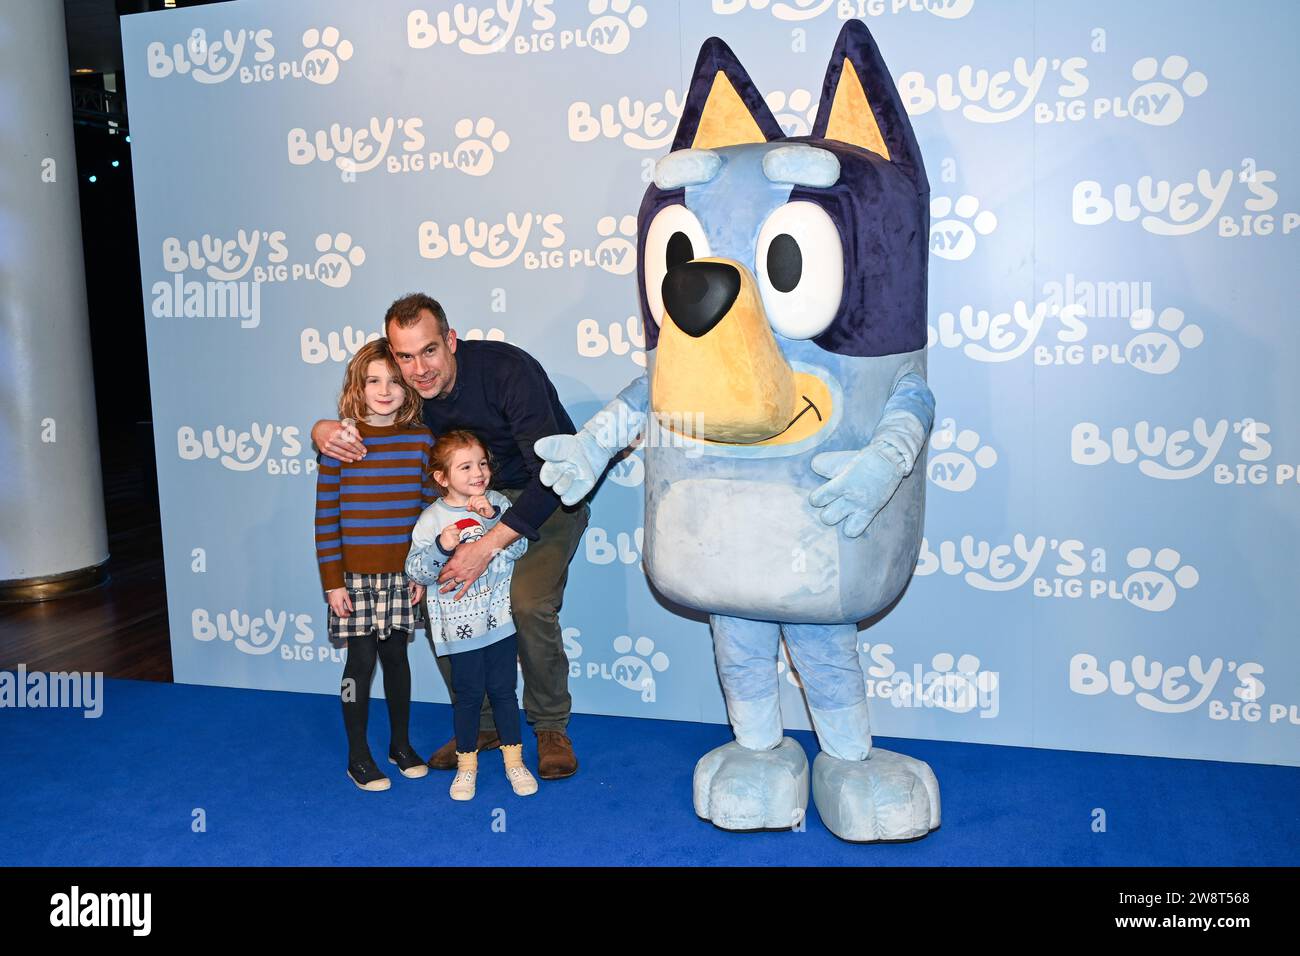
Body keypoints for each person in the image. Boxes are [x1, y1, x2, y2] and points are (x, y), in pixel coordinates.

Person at [311, 293, 587, 779]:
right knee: (444, 594)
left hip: (545, 495)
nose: (419, 368)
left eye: (429, 351)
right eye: (405, 357)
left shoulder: (508, 372)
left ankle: (548, 727)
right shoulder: (413, 392)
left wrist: (486, 544)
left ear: (451, 341)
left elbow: (552, 475)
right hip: (461, 500)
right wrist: (324, 429)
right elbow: (374, 417)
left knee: (525, 601)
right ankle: (479, 725)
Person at [314, 339, 434, 792]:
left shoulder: (421, 440)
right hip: (352, 581)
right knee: (359, 664)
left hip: (403, 577)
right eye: (373, 381)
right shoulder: (341, 443)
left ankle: (400, 746)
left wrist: (421, 571)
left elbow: (427, 514)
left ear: (408, 389)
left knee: (397, 659)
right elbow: (326, 518)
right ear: (357, 387)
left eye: (395, 381)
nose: (384, 390)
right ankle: (357, 753)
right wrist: (332, 583)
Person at [406, 430, 536, 800]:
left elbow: (519, 548)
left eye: (482, 463)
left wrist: (494, 519)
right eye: (465, 466)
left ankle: (515, 762)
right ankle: (467, 767)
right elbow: (418, 572)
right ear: (442, 478)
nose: (478, 472)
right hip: (457, 631)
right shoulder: (432, 520)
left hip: (498, 622)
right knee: (467, 697)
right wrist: (441, 546)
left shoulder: (497, 504)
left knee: (505, 693)